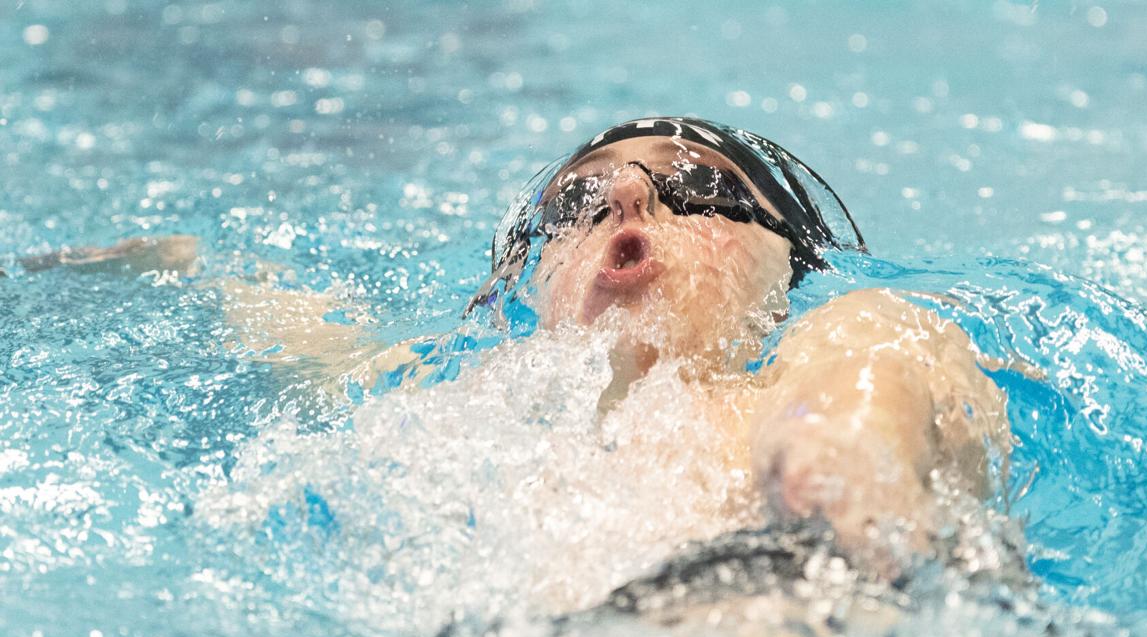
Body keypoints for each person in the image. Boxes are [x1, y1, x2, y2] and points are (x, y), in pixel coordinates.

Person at [12, 117, 1010, 575]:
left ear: (786, 270)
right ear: (529, 283)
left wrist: (830, 501)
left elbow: (852, 417)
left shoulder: (854, 333)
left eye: (696, 191)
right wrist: (187, 262)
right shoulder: (460, 412)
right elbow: (319, 346)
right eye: (576, 205)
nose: (625, 207)